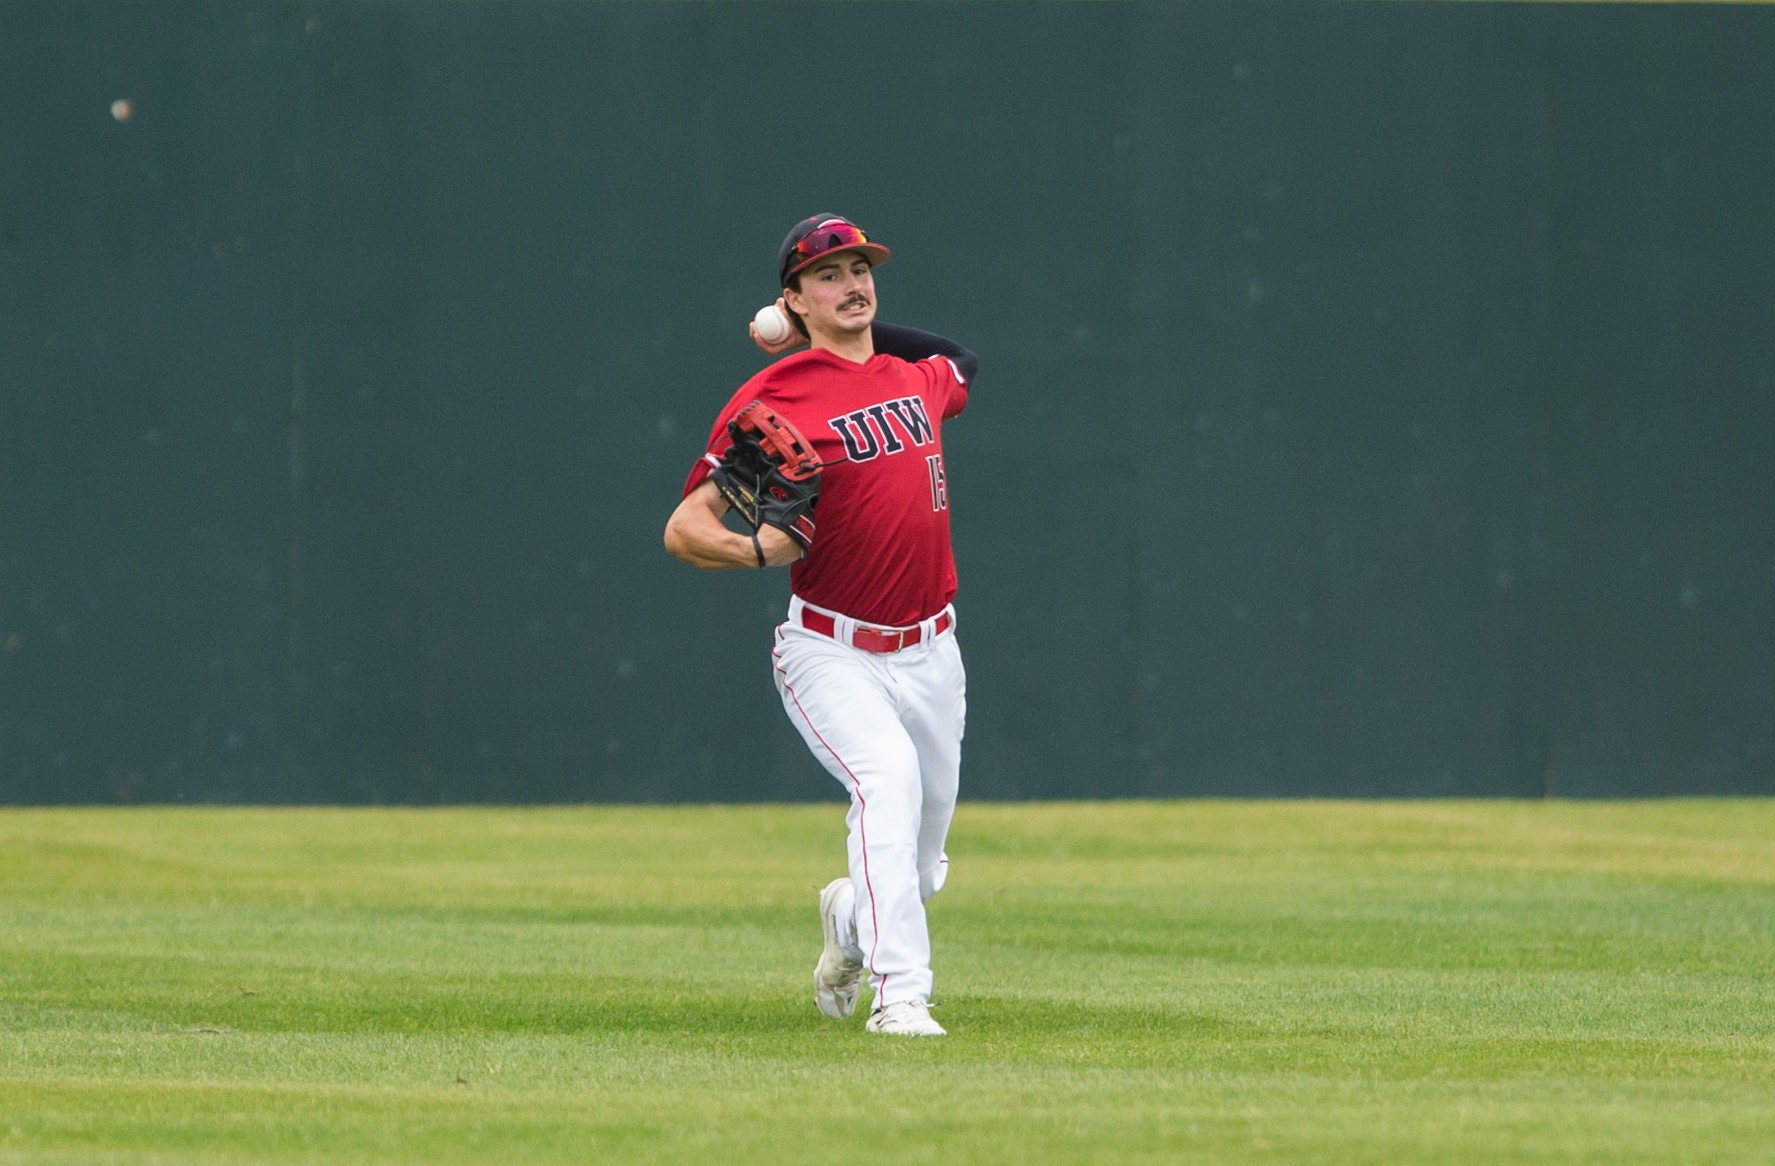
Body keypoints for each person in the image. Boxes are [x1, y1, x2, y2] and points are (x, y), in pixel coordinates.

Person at [663, 214, 978, 1037]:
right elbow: (684, 527)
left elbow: (961, 355)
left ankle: (848, 920)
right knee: (886, 784)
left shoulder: (915, 375)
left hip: (932, 651)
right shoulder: (773, 397)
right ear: (792, 296)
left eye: (859, 268)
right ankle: (899, 996)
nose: (853, 283)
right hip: (830, 647)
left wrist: (818, 326)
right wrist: (755, 551)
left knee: (920, 869)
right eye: (828, 274)